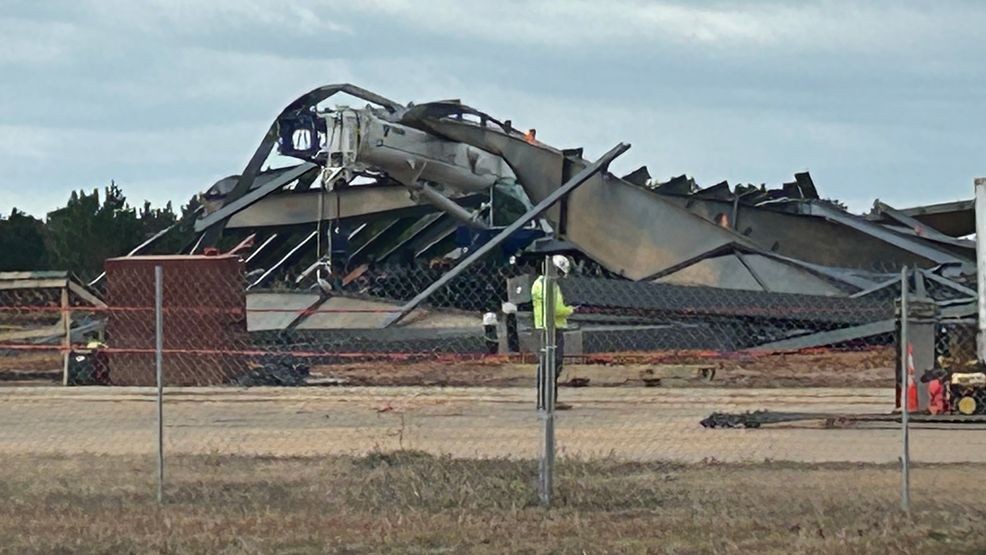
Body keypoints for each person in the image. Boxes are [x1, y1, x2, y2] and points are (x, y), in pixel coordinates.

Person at [531, 255, 577, 410]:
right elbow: (556, 309)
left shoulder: (539, 283)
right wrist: (570, 310)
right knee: (553, 364)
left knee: (547, 365)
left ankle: (545, 400)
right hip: (552, 328)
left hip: (543, 326)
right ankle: (548, 401)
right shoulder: (549, 285)